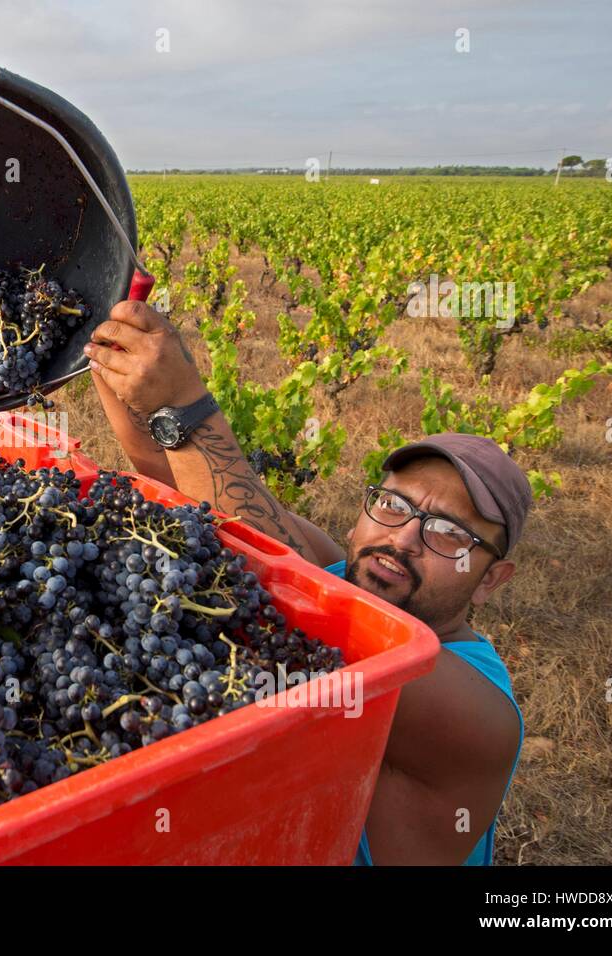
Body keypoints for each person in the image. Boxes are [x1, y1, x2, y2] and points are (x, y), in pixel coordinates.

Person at [85, 300, 525, 866]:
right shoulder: (339, 568)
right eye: (392, 504)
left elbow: (290, 613)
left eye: (448, 532)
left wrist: (187, 406)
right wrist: (108, 354)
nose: (404, 540)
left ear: (491, 580)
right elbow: (172, 478)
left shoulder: (479, 717)